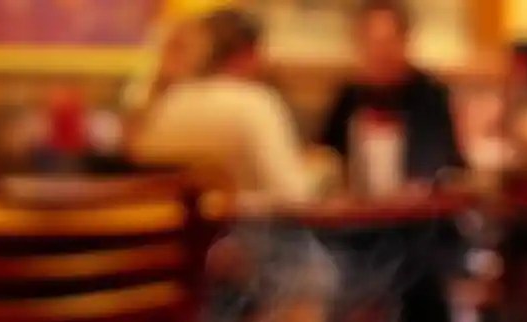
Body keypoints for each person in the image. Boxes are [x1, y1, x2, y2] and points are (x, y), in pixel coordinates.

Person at [132, 9, 313, 208]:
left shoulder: (169, 103)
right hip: (244, 235)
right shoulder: (254, 103)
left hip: (171, 236)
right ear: (250, 53)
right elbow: (292, 196)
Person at [319, 0, 465, 187]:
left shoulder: (430, 96)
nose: (380, 53)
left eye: (388, 43)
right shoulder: (349, 97)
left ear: (405, 42)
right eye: (371, 43)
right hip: (356, 212)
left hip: (417, 212)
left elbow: (439, 166)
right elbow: (327, 156)